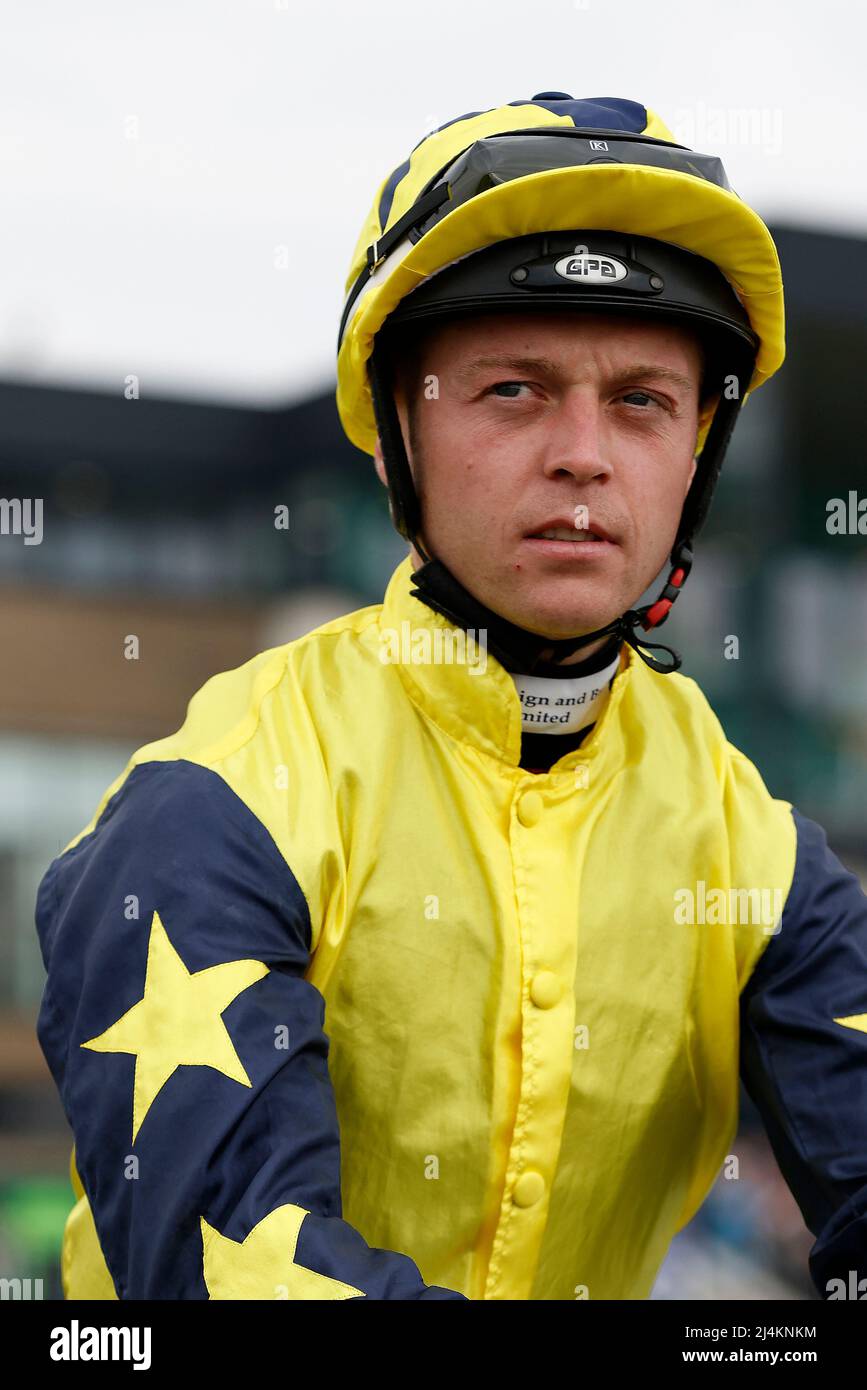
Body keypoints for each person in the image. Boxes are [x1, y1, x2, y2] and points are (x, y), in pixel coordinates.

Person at [35, 92, 867, 1301]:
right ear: (393, 438)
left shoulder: (758, 851)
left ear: (696, 454)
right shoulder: (214, 802)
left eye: (641, 399)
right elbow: (236, 1271)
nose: (584, 451)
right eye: (513, 390)